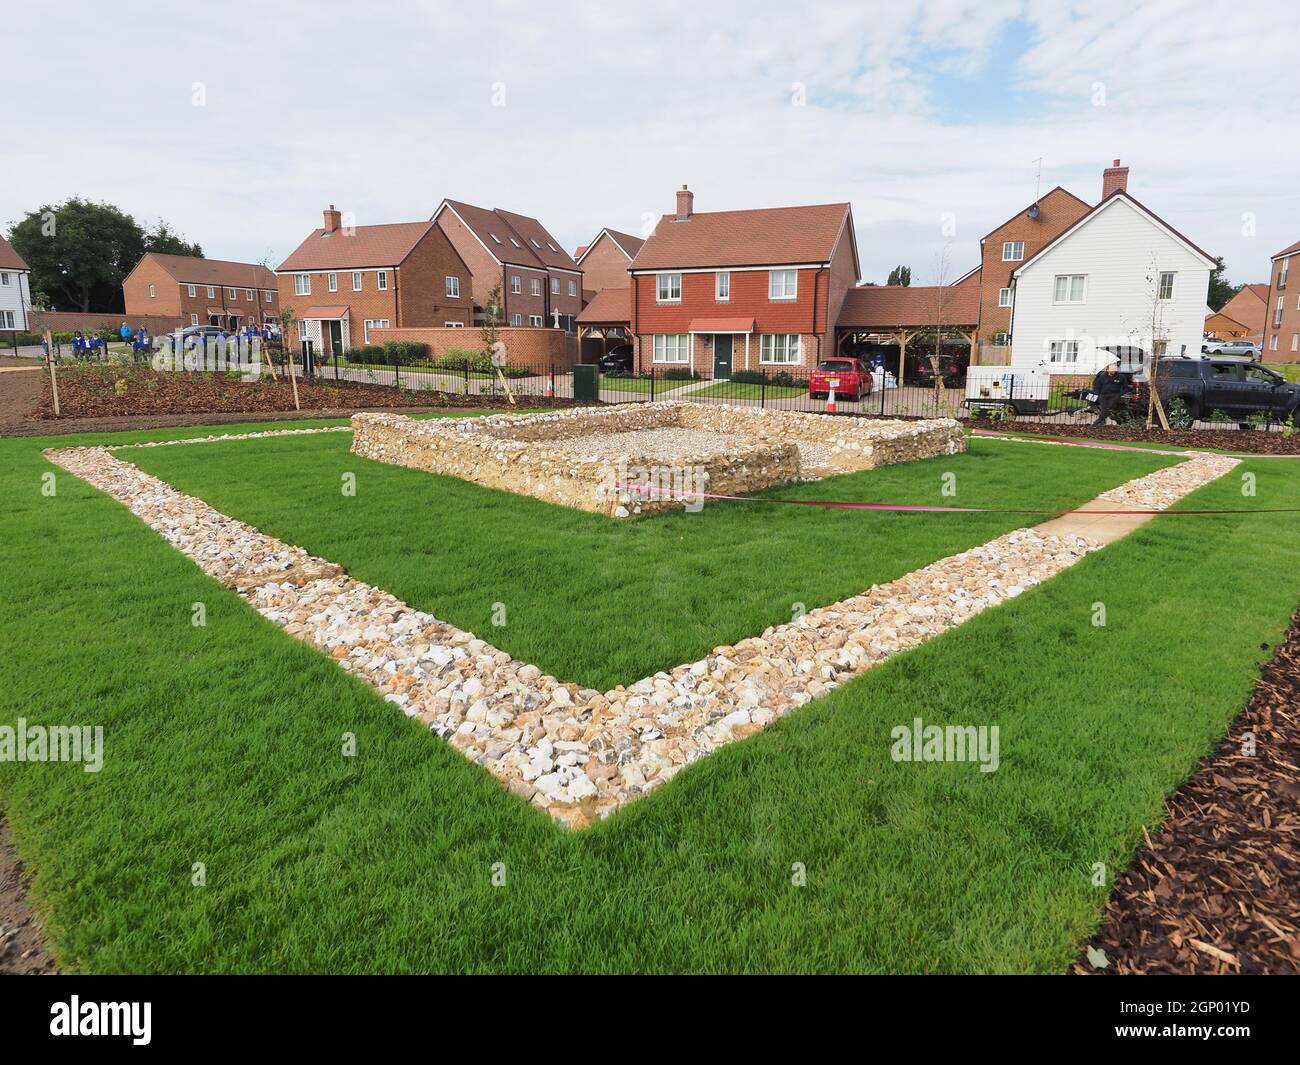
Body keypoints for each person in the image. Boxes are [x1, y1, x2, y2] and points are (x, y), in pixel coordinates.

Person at [1091, 359, 1126, 425]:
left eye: (1115, 368)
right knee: (1104, 409)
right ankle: (1100, 422)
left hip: (1114, 395)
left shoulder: (1121, 377)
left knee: (1109, 408)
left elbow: (1126, 388)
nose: (1114, 370)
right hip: (1103, 395)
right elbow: (1097, 387)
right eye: (1112, 369)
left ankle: (1098, 422)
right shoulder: (1102, 377)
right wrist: (1098, 394)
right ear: (1107, 370)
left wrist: (1120, 394)